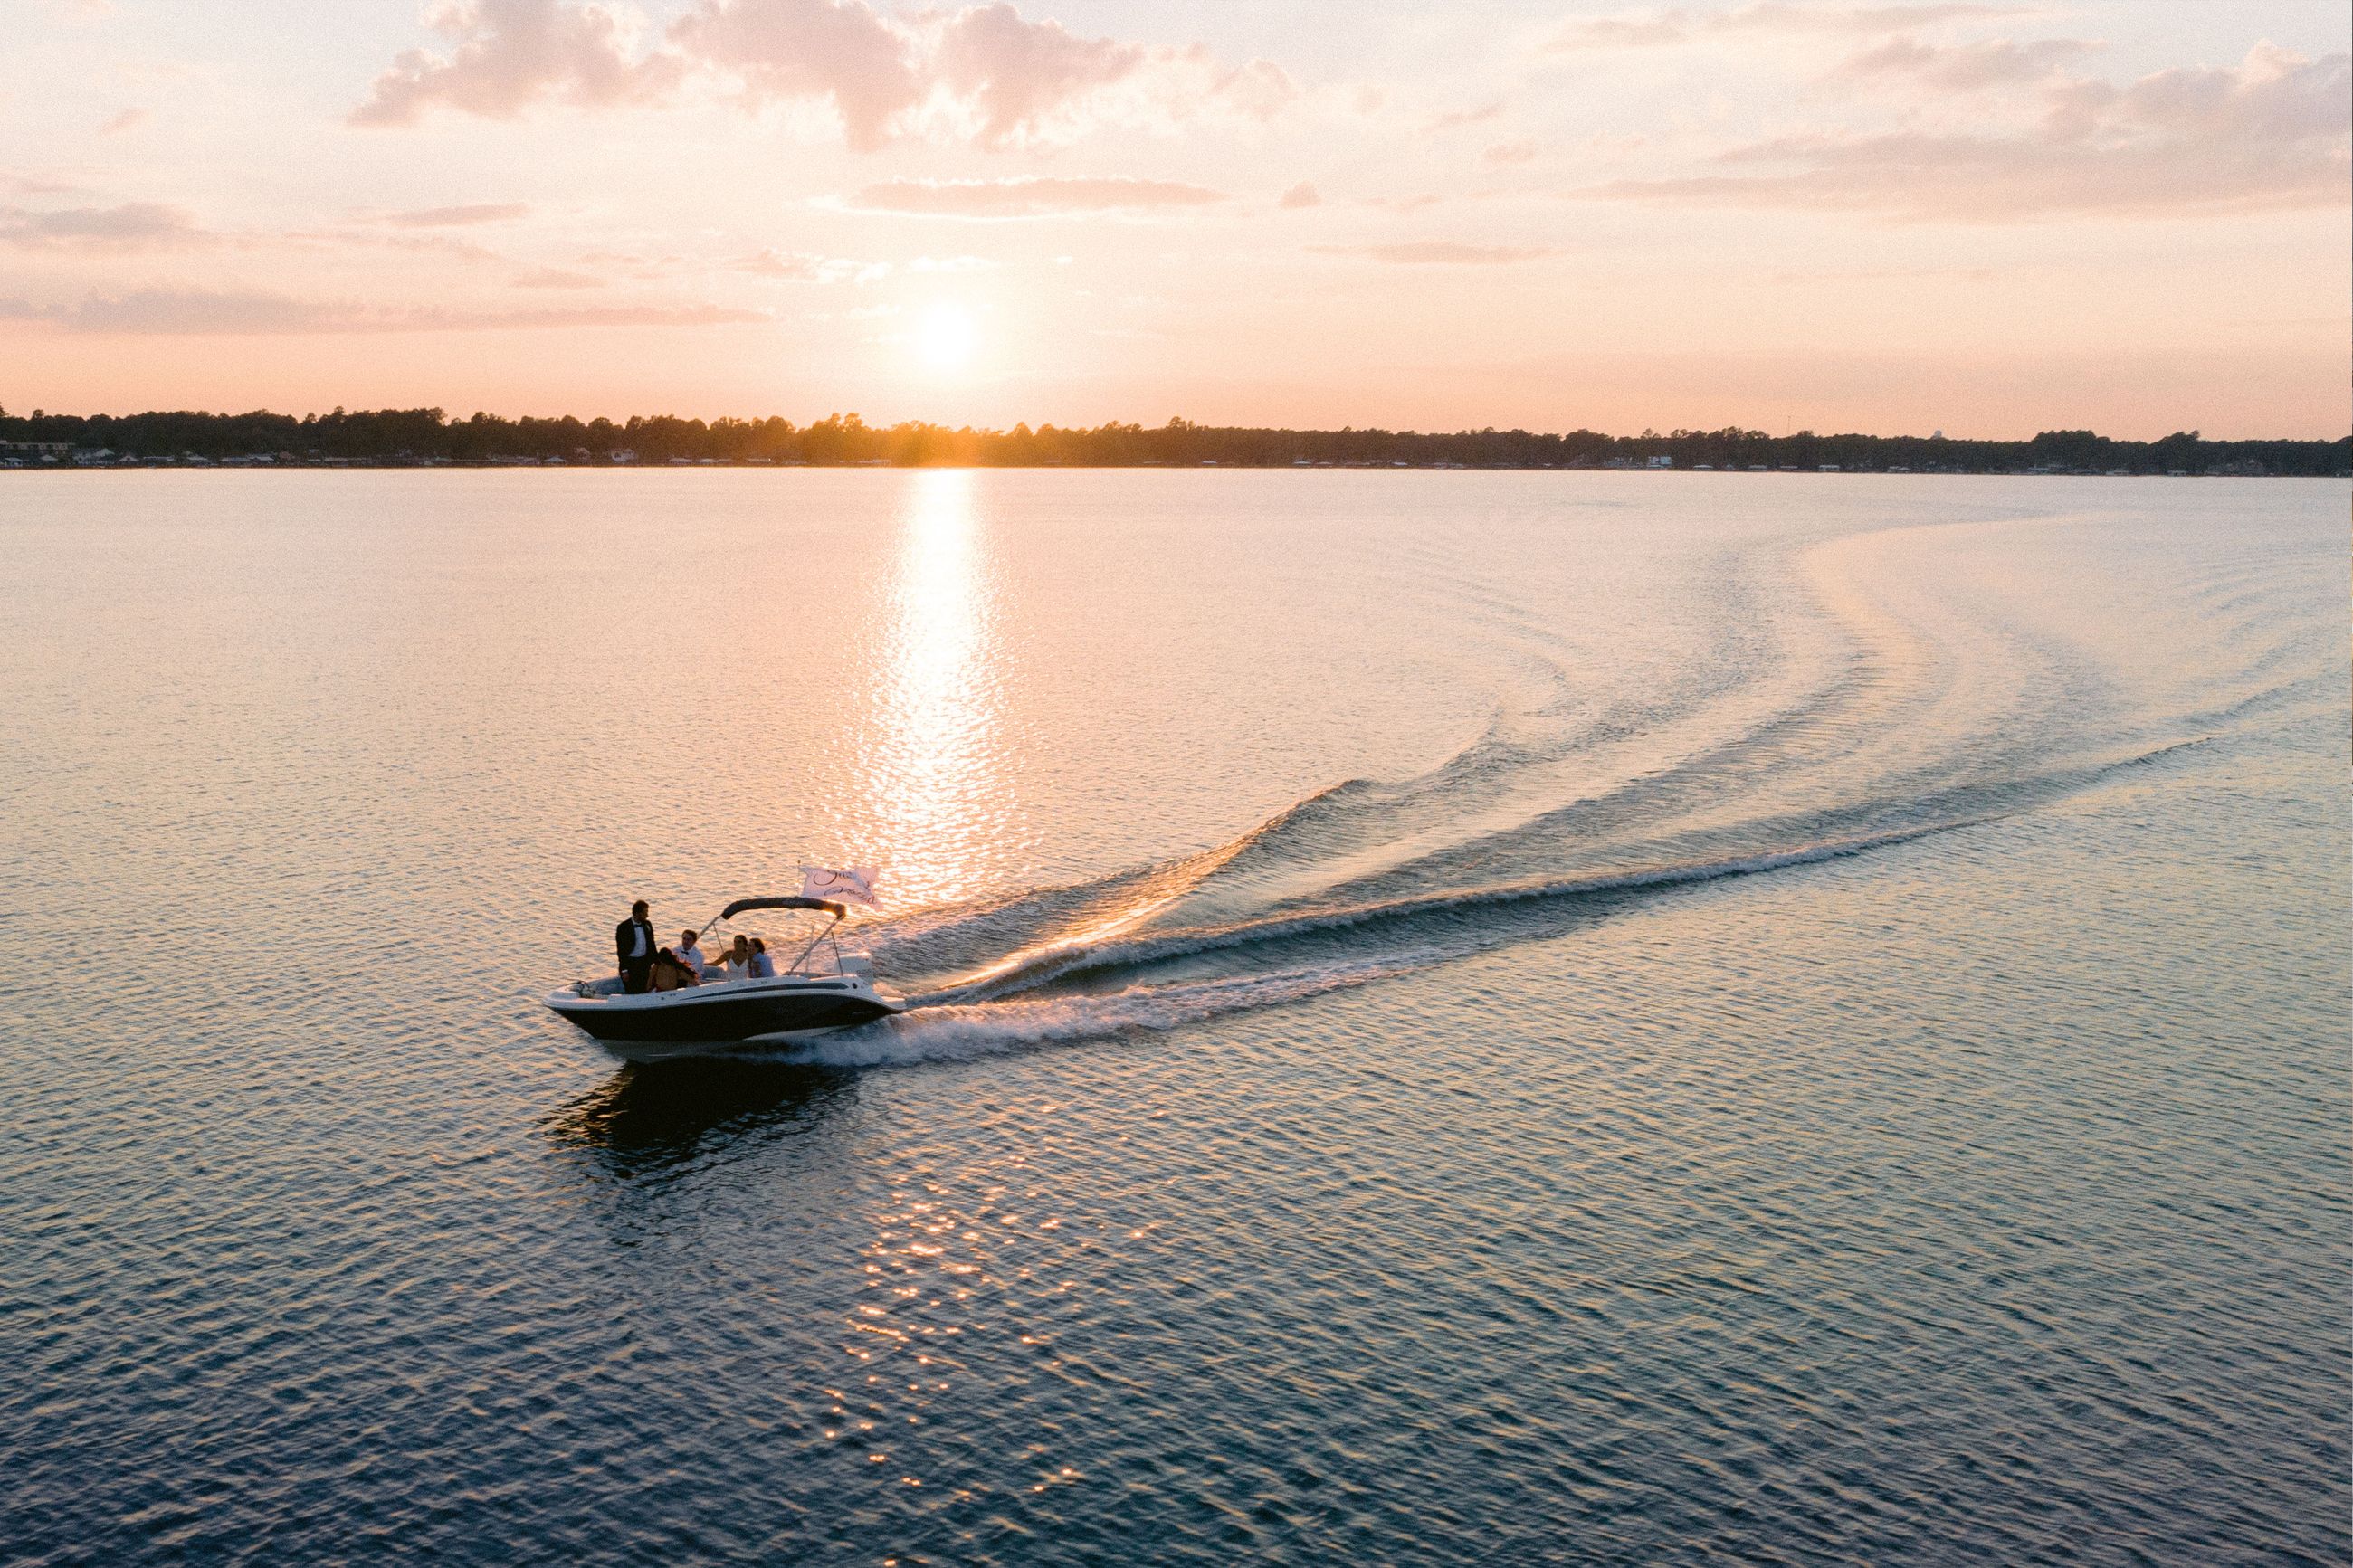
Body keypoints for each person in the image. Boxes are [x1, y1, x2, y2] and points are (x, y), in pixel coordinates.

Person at [614, 899, 656, 993]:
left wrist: (656, 962)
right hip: (630, 964)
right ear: (638, 913)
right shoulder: (623, 927)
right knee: (632, 990)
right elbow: (621, 951)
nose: (647, 915)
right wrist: (624, 970)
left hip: (644, 963)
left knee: (645, 988)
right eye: (645, 913)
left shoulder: (647, 924)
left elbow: (651, 945)